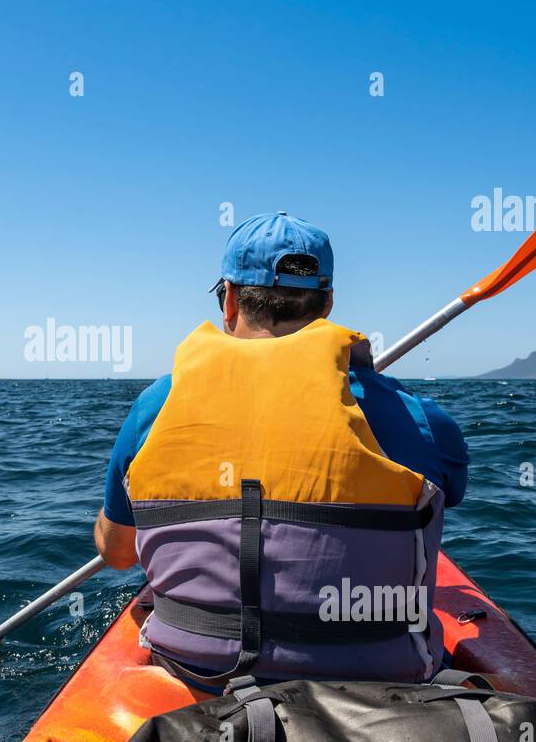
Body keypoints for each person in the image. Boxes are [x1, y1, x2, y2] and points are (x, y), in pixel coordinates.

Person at [93, 212, 468, 688]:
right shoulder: (424, 422)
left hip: (195, 677)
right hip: (382, 691)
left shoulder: (154, 407)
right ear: (327, 303)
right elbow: (446, 495)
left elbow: (119, 552)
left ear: (228, 300)